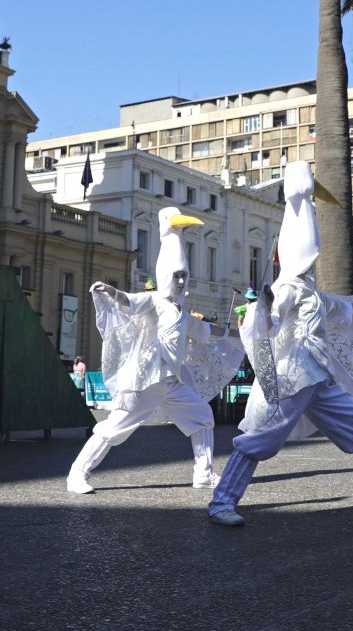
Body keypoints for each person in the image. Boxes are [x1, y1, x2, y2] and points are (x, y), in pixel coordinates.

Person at [209, 161, 353, 527]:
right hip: (291, 380)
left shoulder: (310, 290)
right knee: (261, 439)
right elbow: (272, 315)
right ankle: (221, 503)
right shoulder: (289, 287)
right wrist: (268, 313)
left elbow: (342, 306)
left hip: (319, 381)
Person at [66, 208, 242, 495]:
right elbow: (130, 302)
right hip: (145, 380)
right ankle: (77, 473)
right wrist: (113, 293)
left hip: (172, 382)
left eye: (185, 277)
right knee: (114, 428)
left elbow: (209, 332)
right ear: (165, 277)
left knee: (201, 417)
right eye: (177, 277)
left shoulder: (182, 314)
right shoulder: (155, 301)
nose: (181, 283)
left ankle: (204, 473)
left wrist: (241, 334)